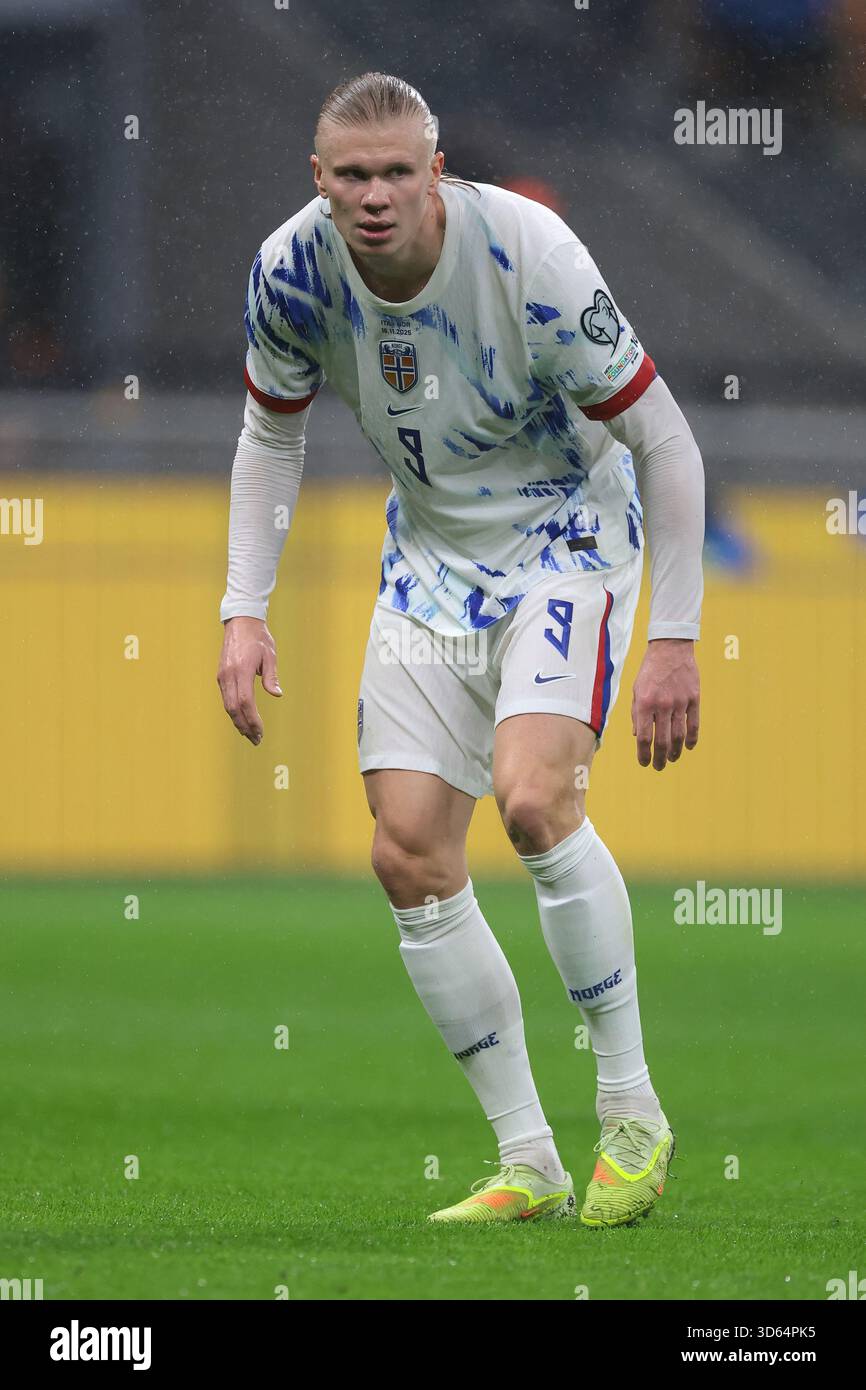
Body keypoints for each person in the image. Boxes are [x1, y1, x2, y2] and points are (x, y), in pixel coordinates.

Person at [217, 71, 704, 1227]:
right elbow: (265, 436)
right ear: (319, 180)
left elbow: (664, 438)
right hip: (429, 563)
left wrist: (673, 640)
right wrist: (243, 606)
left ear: (434, 172)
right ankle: (527, 1158)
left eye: (396, 173)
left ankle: (630, 1113)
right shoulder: (290, 271)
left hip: (566, 536)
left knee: (535, 803)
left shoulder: (528, 253)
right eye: (352, 176)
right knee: (406, 854)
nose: (374, 196)